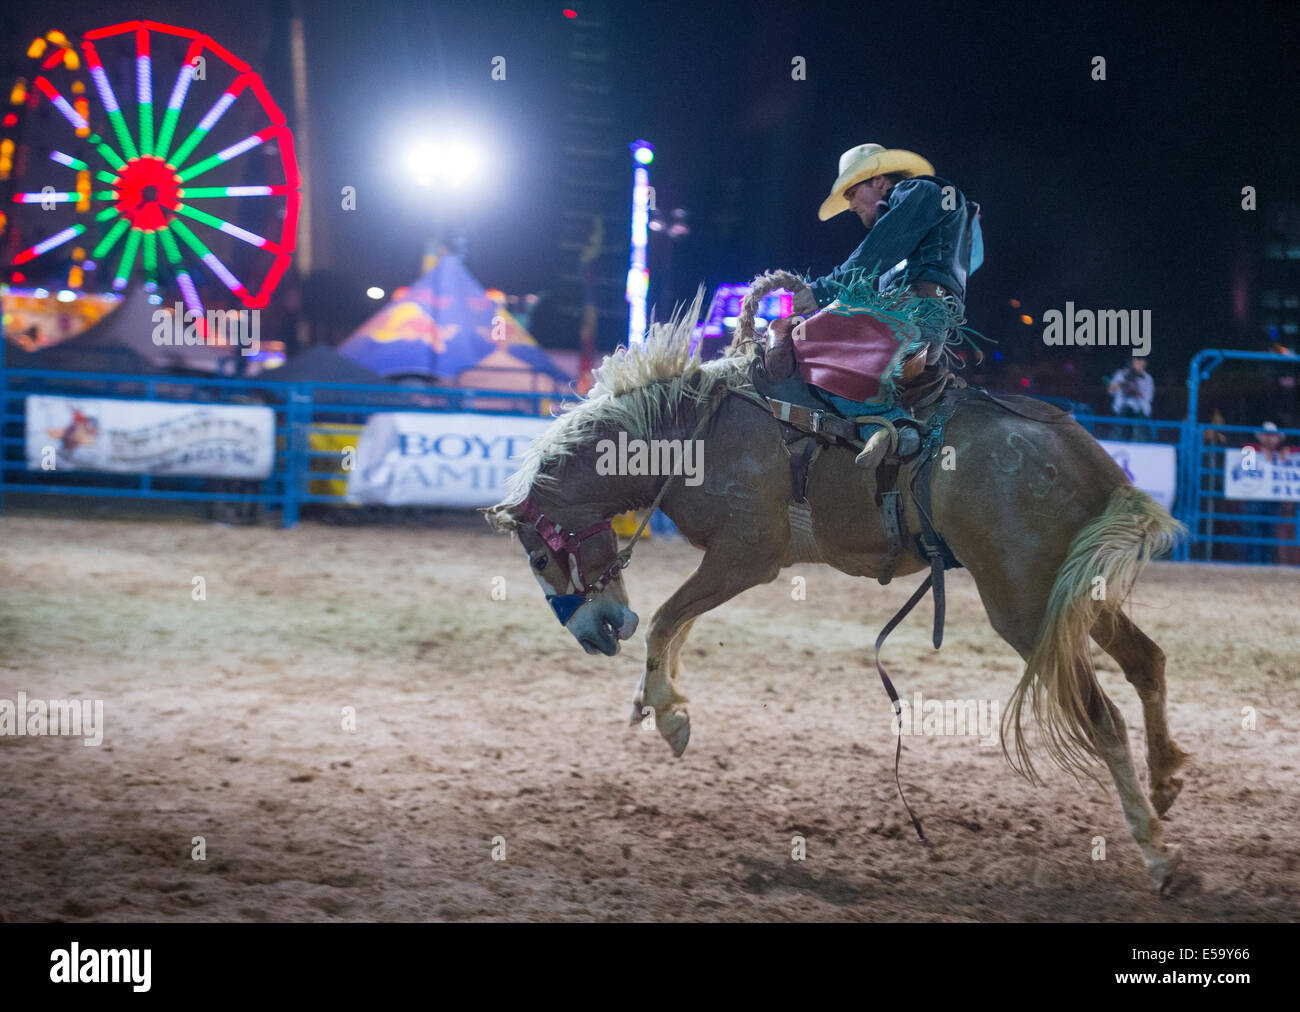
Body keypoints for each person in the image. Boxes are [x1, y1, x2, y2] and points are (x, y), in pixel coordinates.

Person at [778, 143, 983, 468]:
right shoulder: (925, 216)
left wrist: (822, 291)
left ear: (878, 181)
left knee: (805, 341)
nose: (849, 206)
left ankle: (887, 423)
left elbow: (878, 248)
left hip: (911, 319)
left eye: (851, 192)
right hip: (917, 321)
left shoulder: (918, 190)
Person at [1106, 357, 1155, 440]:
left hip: (1140, 413)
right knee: (1118, 434)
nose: (1140, 364)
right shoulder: (1121, 374)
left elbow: (1148, 398)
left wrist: (1135, 391)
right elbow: (1111, 391)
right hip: (1121, 411)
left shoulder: (1147, 378)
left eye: (1142, 362)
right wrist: (1122, 383)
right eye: (1137, 362)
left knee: (1139, 435)